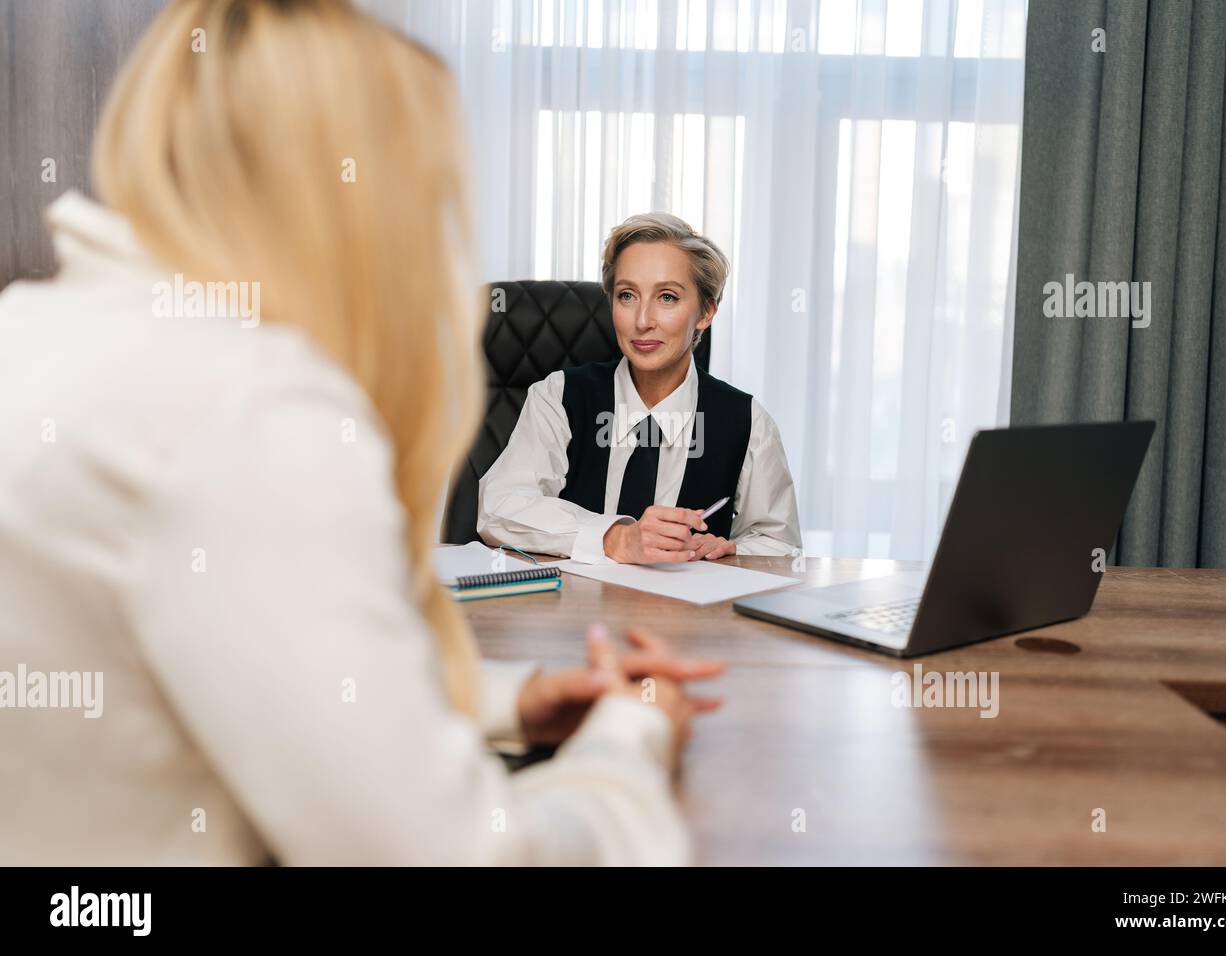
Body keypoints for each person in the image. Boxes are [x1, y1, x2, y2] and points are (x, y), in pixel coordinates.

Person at [0, 0, 721, 865]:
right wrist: (629, 743)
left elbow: (245, 667)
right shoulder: (245, 406)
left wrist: (508, 701)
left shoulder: (38, 332)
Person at [478, 213, 802, 564]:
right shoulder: (557, 397)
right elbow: (500, 507)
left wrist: (734, 550)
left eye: (667, 297)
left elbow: (780, 545)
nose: (643, 321)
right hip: (573, 610)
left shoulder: (748, 421)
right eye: (627, 295)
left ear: (706, 311)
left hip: (688, 614)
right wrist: (612, 538)